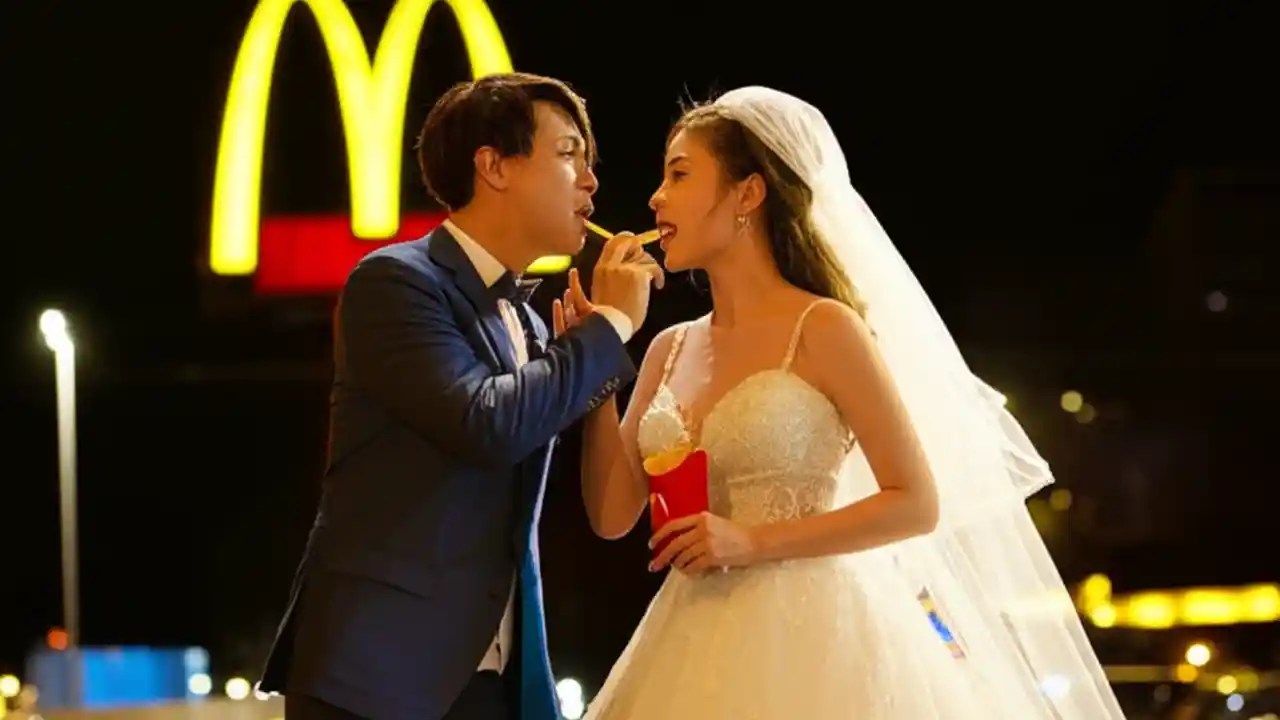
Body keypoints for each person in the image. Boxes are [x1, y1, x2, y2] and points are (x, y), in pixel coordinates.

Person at [556, 86, 1127, 718]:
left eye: (680, 174)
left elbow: (915, 502)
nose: (656, 197)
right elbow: (612, 516)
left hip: (817, 632)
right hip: (690, 630)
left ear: (748, 194)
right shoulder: (668, 346)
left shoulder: (824, 328)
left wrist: (750, 541)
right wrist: (598, 362)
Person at [258, 72, 664, 720]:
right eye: (567, 155)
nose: (590, 182)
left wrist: (587, 358)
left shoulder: (529, 322)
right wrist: (610, 327)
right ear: (494, 166)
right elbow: (487, 422)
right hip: (378, 674)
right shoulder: (395, 281)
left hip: (496, 678)